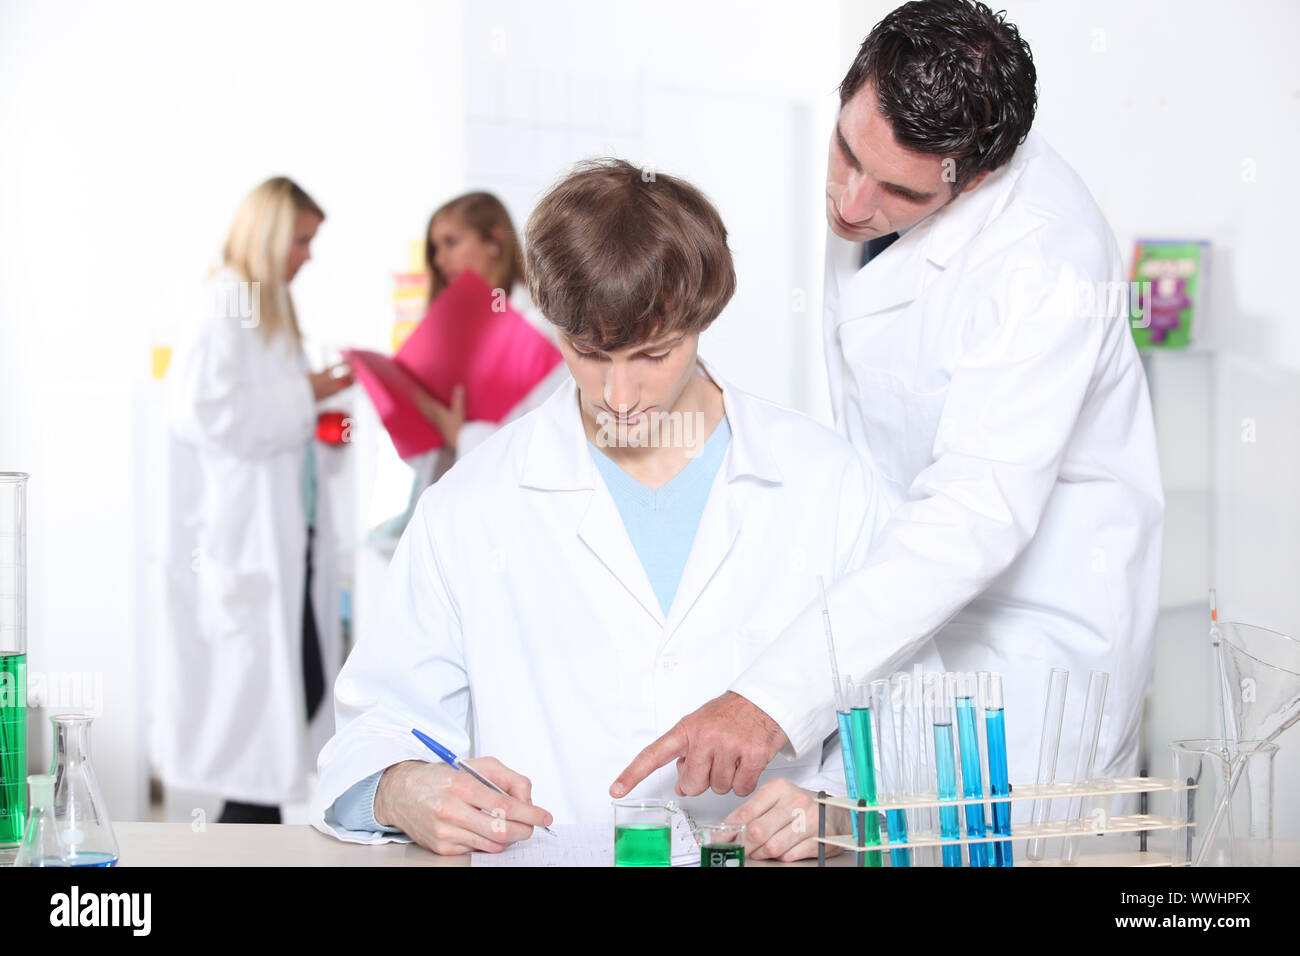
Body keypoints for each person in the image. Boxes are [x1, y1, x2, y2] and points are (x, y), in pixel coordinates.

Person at [611, 0, 1164, 806]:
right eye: (845, 151)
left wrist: (772, 699)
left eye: (897, 190)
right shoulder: (880, 181)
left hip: (1030, 655)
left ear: (973, 177)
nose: (852, 203)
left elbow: (970, 516)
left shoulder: (1047, 265)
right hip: (899, 625)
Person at [309, 159, 937, 861]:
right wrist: (403, 789)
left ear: (705, 319)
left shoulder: (829, 486)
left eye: (653, 354)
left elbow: (916, 731)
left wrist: (836, 814)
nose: (619, 394)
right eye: (588, 352)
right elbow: (374, 730)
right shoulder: (468, 505)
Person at [158, 176, 354, 823]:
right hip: (246, 544)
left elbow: (266, 416)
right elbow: (205, 412)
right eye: (301, 240)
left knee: (291, 698)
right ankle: (245, 837)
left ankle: (251, 832)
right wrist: (310, 390)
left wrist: (317, 416)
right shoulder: (230, 301)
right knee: (269, 710)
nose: (307, 256)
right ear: (270, 236)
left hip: (285, 539)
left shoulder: (263, 308)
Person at [404, 192, 569, 492]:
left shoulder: (539, 330)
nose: (440, 261)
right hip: (444, 490)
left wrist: (461, 435)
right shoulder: (446, 333)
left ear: (494, 240)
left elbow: (545, 442)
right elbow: (426, 459)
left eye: (452, 243)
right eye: (435, 249)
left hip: (503, 499)